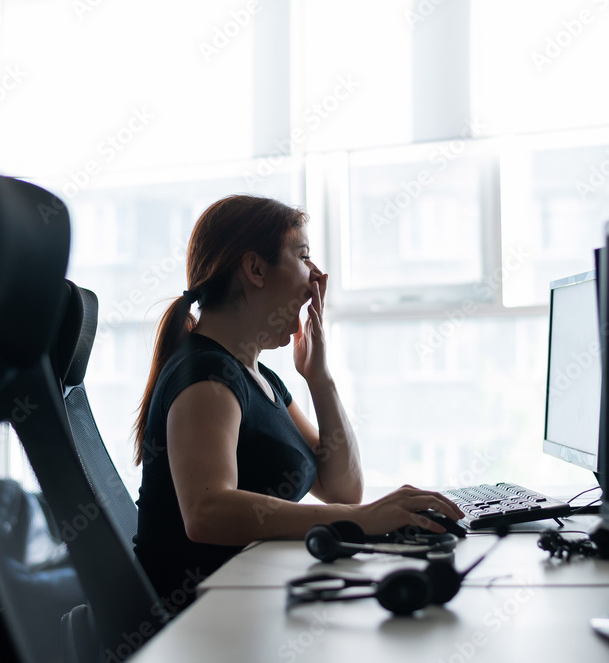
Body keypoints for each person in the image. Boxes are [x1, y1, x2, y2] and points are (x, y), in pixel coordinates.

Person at [131, 194, 464, 606]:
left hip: (247, 604)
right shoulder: (205, 377)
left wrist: (320, 379)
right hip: (202, 625)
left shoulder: (256, 375)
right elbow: (207, 512)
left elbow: (342, 489)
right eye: (304, 257)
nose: (317, 278)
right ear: (255, 268)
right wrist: (362, 521)